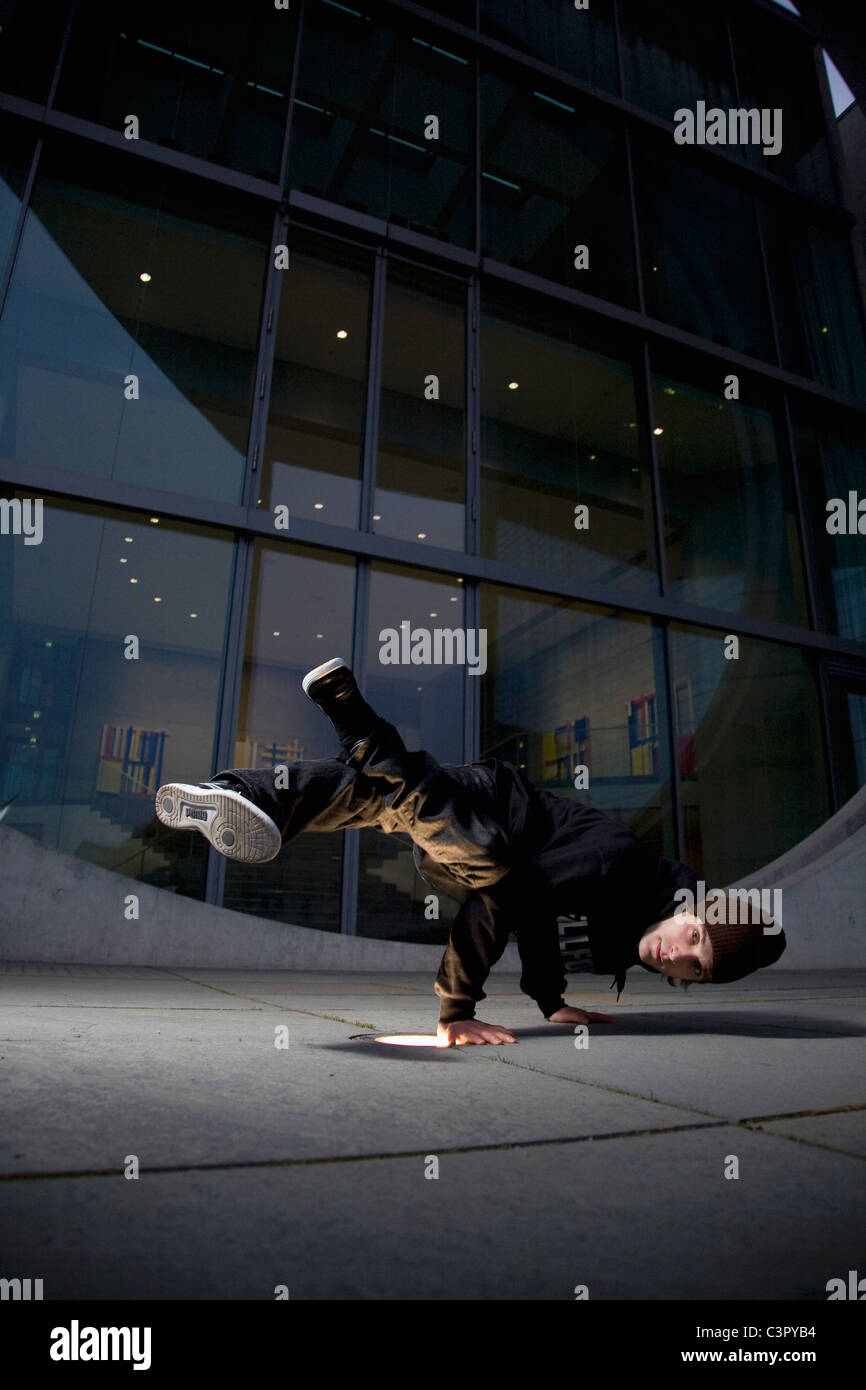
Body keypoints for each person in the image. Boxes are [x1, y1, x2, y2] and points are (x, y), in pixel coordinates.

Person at [155, 659, 786, 1047]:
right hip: (487, 813)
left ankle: (270, 777)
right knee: (437, 827)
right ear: (689, 907)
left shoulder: (633, 929)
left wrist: (551, 1002)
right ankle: (330, 748)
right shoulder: (619, 864)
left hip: (468, 841)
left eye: (693, 969)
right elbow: (510, 901)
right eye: (694, 936)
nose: (677, 956)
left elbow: (540, 922)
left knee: (379, 794)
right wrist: (457, 1009)